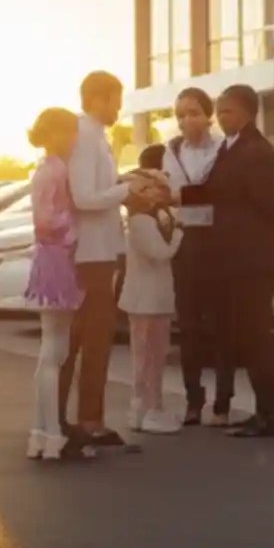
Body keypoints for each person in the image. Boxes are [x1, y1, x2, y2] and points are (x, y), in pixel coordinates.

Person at [60, 70, 158, 451]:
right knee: (84, 339)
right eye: (115, 100)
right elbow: (84, 196)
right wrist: (125, 189)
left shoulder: (98, 137)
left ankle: (89, 419)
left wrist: (131, 190)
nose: (119, 107)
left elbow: (102, 192)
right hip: (90, 254)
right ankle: (78, 422)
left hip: (103, 249)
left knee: (96, 339)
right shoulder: (84, 137)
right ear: (97, 98)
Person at [205, 84, 274, 438]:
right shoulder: (231, 148)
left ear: (247, 113)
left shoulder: (255, 151)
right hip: (235, 260)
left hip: (253, 261)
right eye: (219, 111)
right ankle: (261, 412)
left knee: (257, 336)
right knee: (244, 334)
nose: (220, 117)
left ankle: (268, 414)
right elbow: (218, 192)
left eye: (227, 111)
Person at [160, 88, 230, 426]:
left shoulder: (224, 149)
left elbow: (222, 192)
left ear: (208, 115)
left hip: (220, 243)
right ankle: (193, 398)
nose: (186, 120)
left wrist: (184, 194)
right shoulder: (172, 152)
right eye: (180, 115)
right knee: (189, 326)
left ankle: (223, 400)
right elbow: (166, 194)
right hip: (186, 243)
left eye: (193, 112)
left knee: (221, 325)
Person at [23, 107, 86, 460]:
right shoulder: (58, 170)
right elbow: (48, 221)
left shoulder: (43, 170)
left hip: (47, 259)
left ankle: (41, 431)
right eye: (69, 132)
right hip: (59, 258)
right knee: (54, 353)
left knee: (50, 352)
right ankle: (51, 433)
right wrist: (74, 221)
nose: (73, 139)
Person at [119, 144, 185, 434]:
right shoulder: (142, 223)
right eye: (148, 189)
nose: (156, 193)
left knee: (148, 353)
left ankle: (143, 406)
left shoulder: (147, 220)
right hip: (148, 297)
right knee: (151, 354)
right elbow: (161, 253)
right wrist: (179, 234)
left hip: (149, 296)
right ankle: (151, 407)